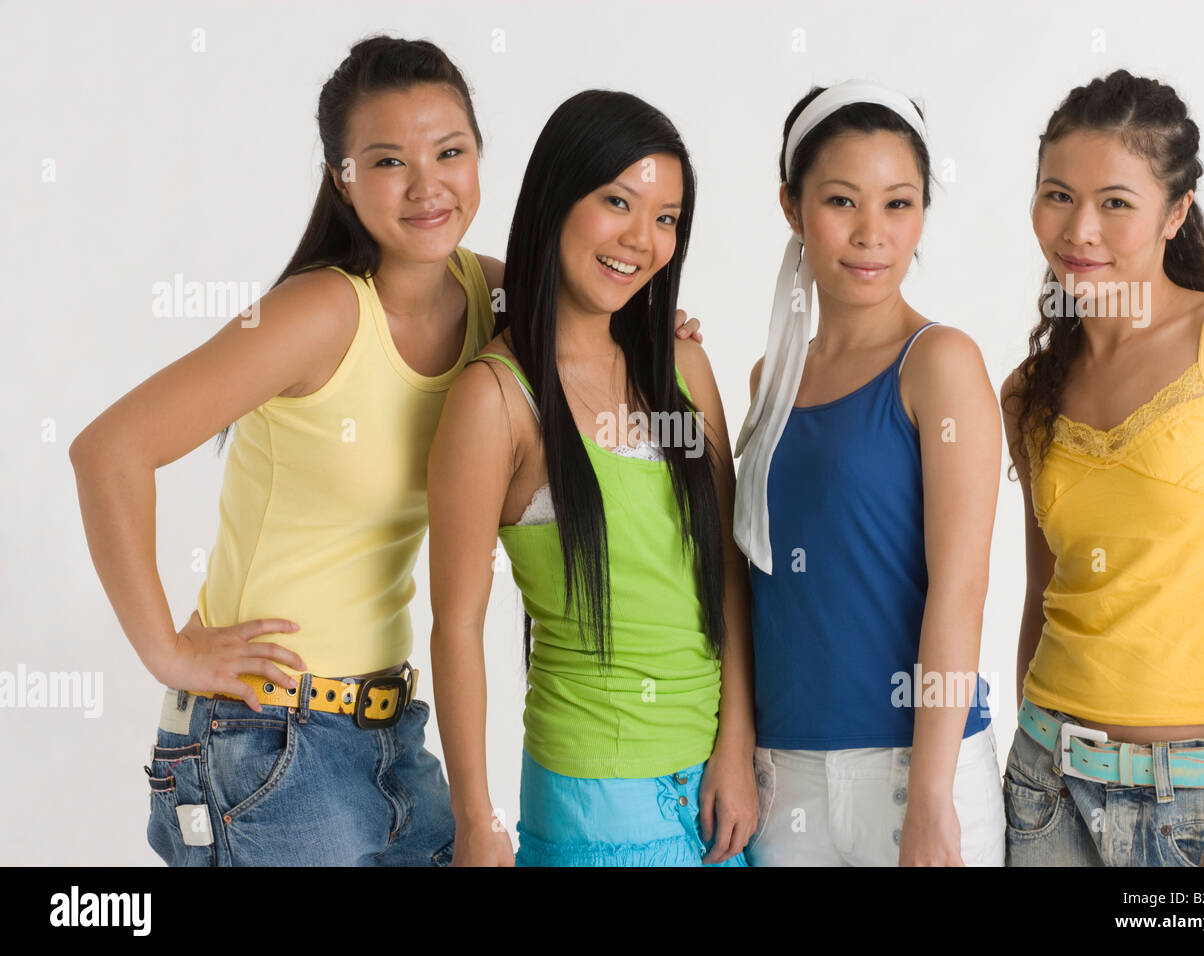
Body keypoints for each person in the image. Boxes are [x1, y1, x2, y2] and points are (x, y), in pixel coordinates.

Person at [68, 34, 706, 867]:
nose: (426, 186)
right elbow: (109, 449)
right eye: (386, 162)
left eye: (449, 152)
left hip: (389, 730)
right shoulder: (320, 313)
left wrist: (661, 323)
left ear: (481, 158)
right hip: (263, 734)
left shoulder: (489, 294)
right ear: (343, 178)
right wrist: (168, 649)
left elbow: (593, 279)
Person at [426, 89, 756, 867]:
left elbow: (729, 574)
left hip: (720, 795)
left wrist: (737, 744)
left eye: (667, 218)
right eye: (618, 202)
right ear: (555, 197)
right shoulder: (496, 398)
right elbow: (458, 625)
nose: (641, 239)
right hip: (593, 804)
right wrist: (476, 820)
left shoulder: (683, 365)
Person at [1000, 69, 1204, 867]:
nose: (1080, 230)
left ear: (1176, 213)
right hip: (1048, 788)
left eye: (1116, 204)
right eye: (1057, 195)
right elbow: (1041, 591)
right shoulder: (1028, 391)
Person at [733, 80, 1005, 866]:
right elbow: (755, 586)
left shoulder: (940, 364)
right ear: (792, 206)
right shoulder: (768, 380)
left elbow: (962, 587)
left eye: (899, 204)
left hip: (916, 771)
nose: (871, 234)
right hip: (785, 777)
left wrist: (929, 796)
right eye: (842, 201)